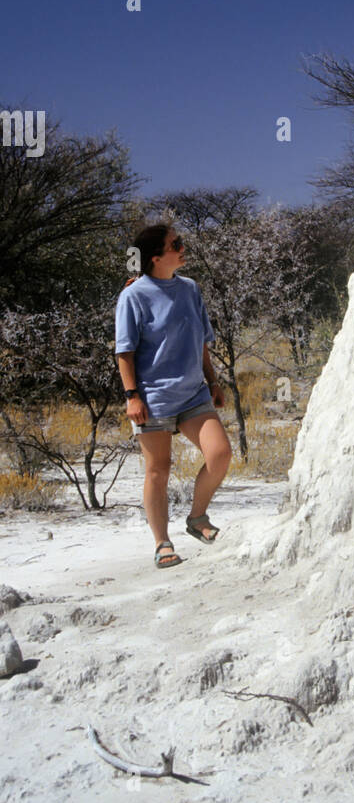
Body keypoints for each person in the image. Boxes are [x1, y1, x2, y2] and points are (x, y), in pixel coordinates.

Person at [115, 223, 232, 569]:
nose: (183, 247)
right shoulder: (133, 296)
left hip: (194, 393)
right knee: (158, 471)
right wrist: (132, 396)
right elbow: (125, 352)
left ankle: (197, 519)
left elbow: (202, 342)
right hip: (153, 399)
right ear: (155, 257)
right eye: (175, 244)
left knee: (220, 454)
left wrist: (213, 381)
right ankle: (162, 542)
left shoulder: (191, 289)